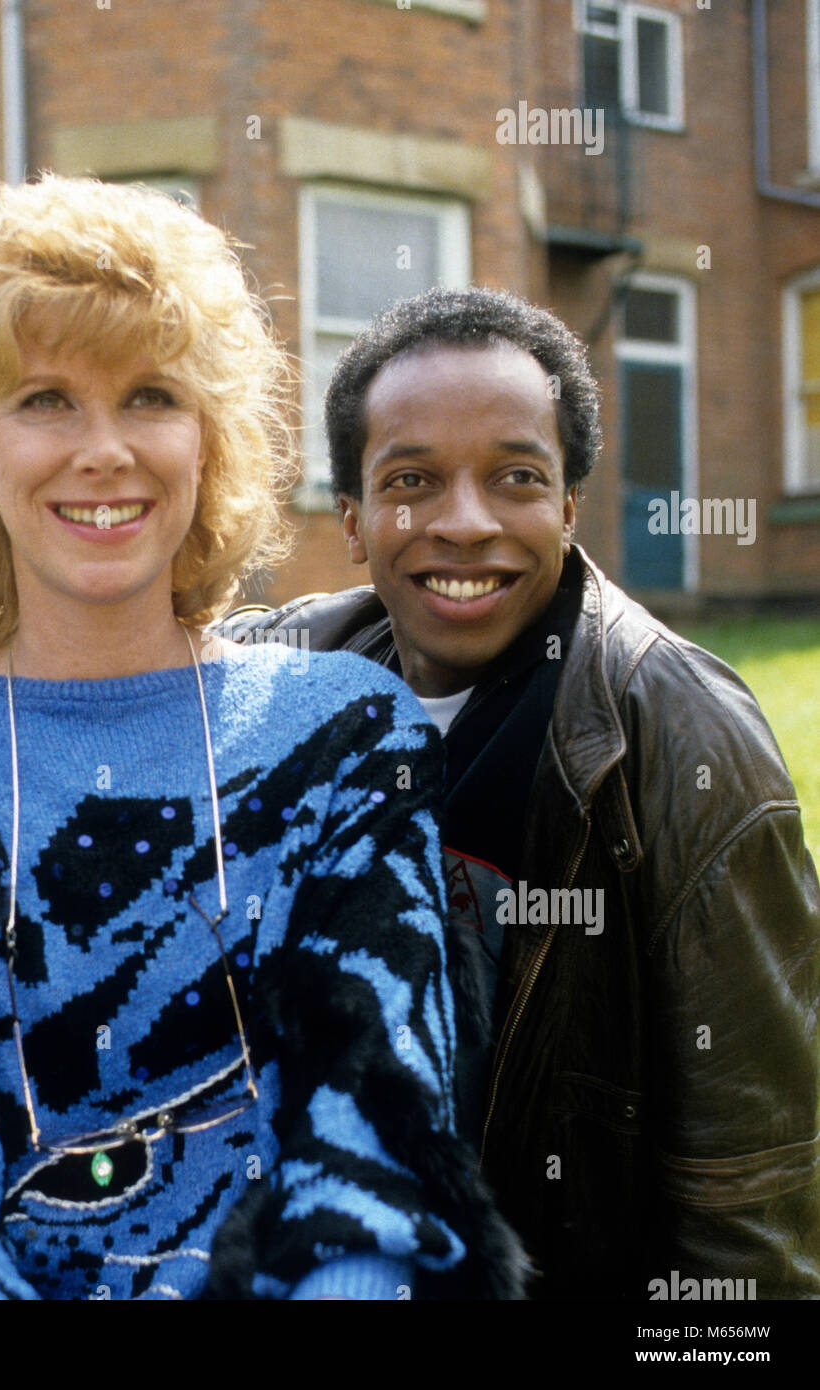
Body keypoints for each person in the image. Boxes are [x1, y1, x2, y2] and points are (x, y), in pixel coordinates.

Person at [0, 180, 523, 1301]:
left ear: (209, 438)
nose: (103, 451)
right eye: (46, 399)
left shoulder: (345, 739)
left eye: (151, 395)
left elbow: (377, 1154)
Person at [224, 285, 820, 1299]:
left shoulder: (680, 739)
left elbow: (753, 1194)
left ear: (568, 506)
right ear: (355, 520)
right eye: (413, 479)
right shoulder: (283, 681)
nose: (467, 523)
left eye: (516, 477)